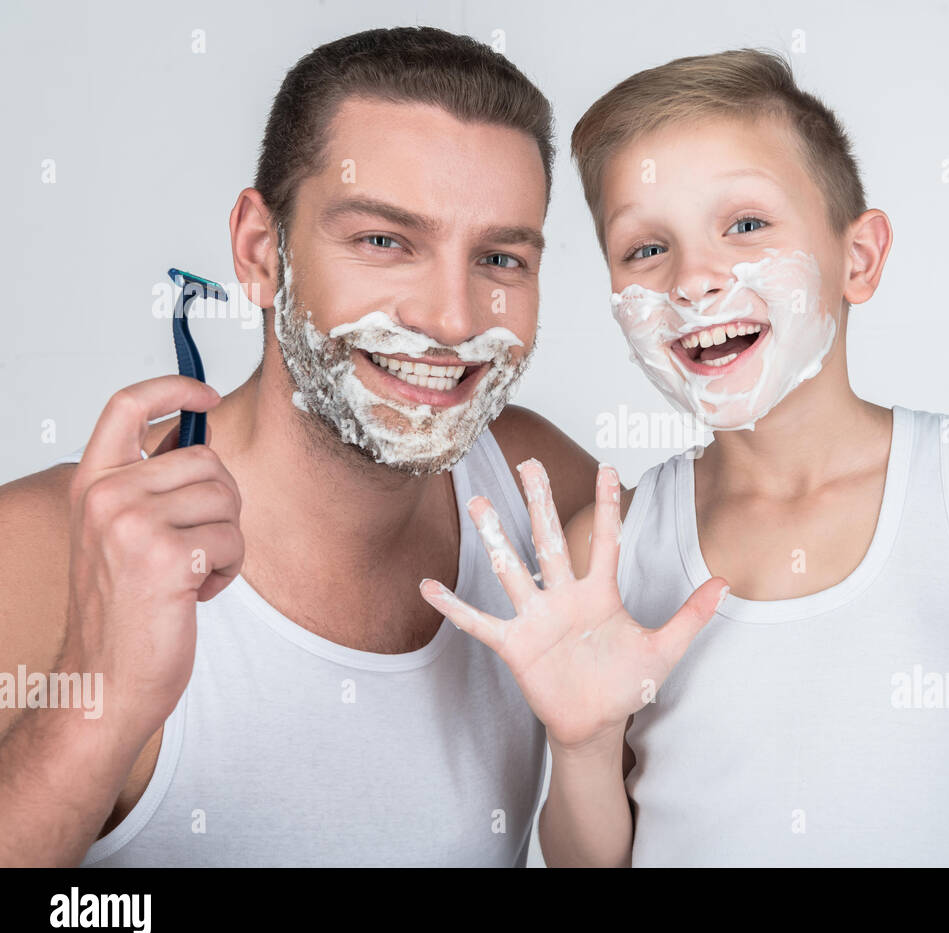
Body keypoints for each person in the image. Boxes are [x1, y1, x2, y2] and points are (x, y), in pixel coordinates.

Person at [423, 49, 949, 866]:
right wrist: (581, 741)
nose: (693, 279)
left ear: (858, 258)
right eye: (646, 248)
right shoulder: (604, 552)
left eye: (746, 224)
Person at [0, 26, 599, 867]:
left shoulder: (547, 498)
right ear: (259, 250)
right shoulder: (36, 550)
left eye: (501, 257)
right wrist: (97, 703)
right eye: (385, 241)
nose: (453, 321)